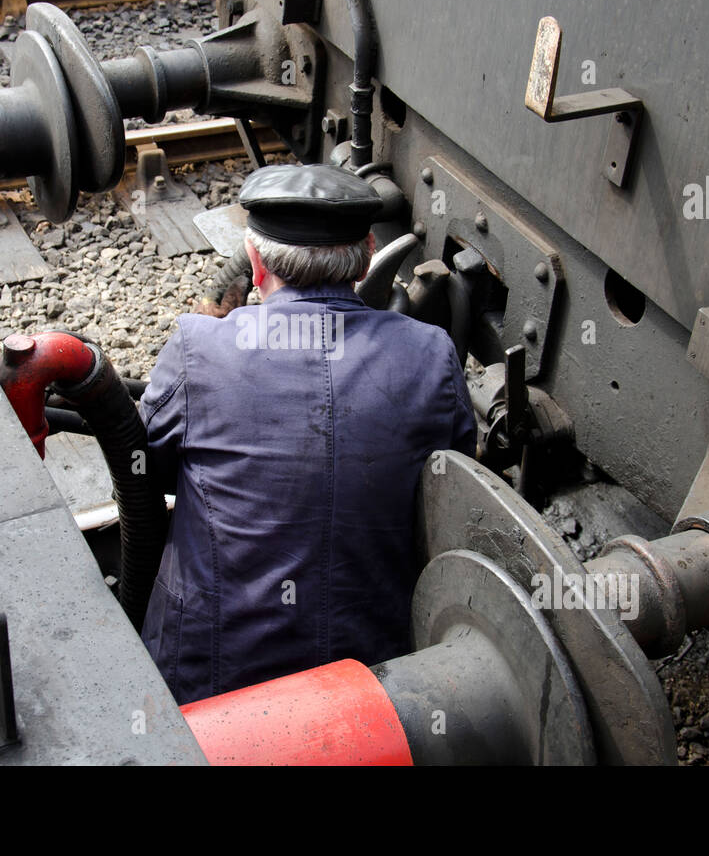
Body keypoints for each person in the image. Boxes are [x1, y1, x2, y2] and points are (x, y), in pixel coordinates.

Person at [139, 163, 476, 704]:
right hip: (377, 678)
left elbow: (145, 476)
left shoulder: (198, 347)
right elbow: (451, 492)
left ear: (254, 261)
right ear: (367, 257)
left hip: (212, 677)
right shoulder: (430, 353)